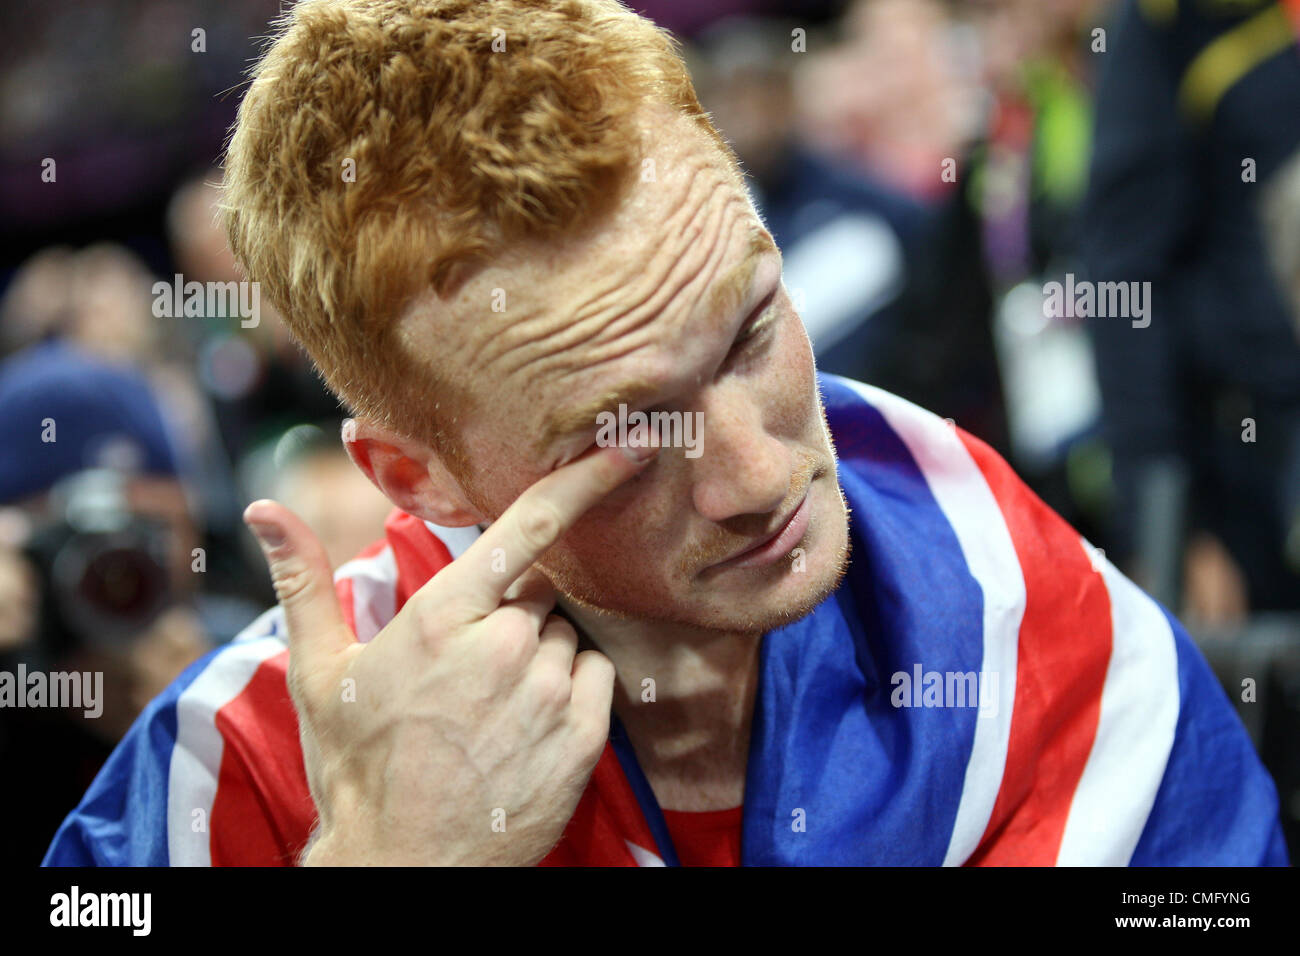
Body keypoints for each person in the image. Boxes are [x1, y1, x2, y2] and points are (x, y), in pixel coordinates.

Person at [45, 0, 1286, 867]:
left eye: (749, 330)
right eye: (623, 437)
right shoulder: (245, 774)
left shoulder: (1017, 596)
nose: (760, 475)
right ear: (417, 477)